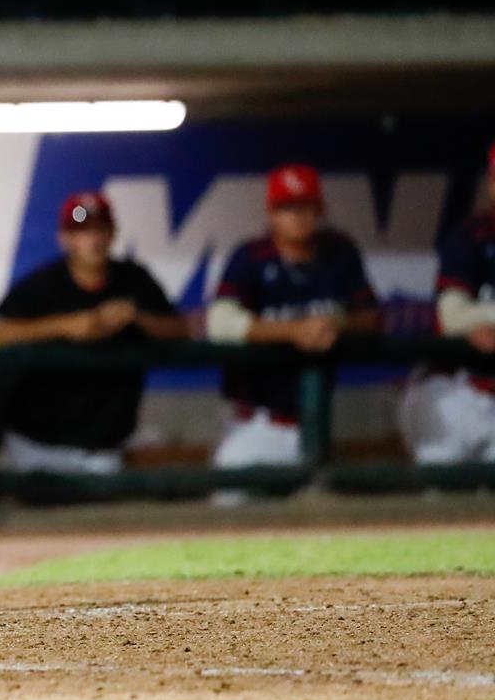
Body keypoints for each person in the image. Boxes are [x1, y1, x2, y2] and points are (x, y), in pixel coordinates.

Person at [0, 192, 188, 474]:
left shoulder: (133, 281)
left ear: (112, 232)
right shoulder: (44, 285)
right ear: (64, 238)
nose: (93, 239)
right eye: (82, 230)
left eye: (99, 229)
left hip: (100, 451)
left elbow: (181, 329)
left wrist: (136, 318)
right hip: (35, 445)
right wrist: (64, 325)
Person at [205, 164, 381, 473]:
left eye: (306, 206)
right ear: (271, 213)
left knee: (316, 513)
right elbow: (220, 323)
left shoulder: (339, 253)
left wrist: (338, 323)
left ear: (320, 209)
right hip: (252, 418)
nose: (297, 216)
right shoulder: (251, 257)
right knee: (230, 506)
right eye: (287, 207)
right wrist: (294, 331)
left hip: (314, 420)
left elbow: (373, 317)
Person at [399, 144, 495, 463]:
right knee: (442, 497)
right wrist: (473, 322)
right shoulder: (470, 237)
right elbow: (453, 316)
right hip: (454, 391)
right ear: (491, 184)